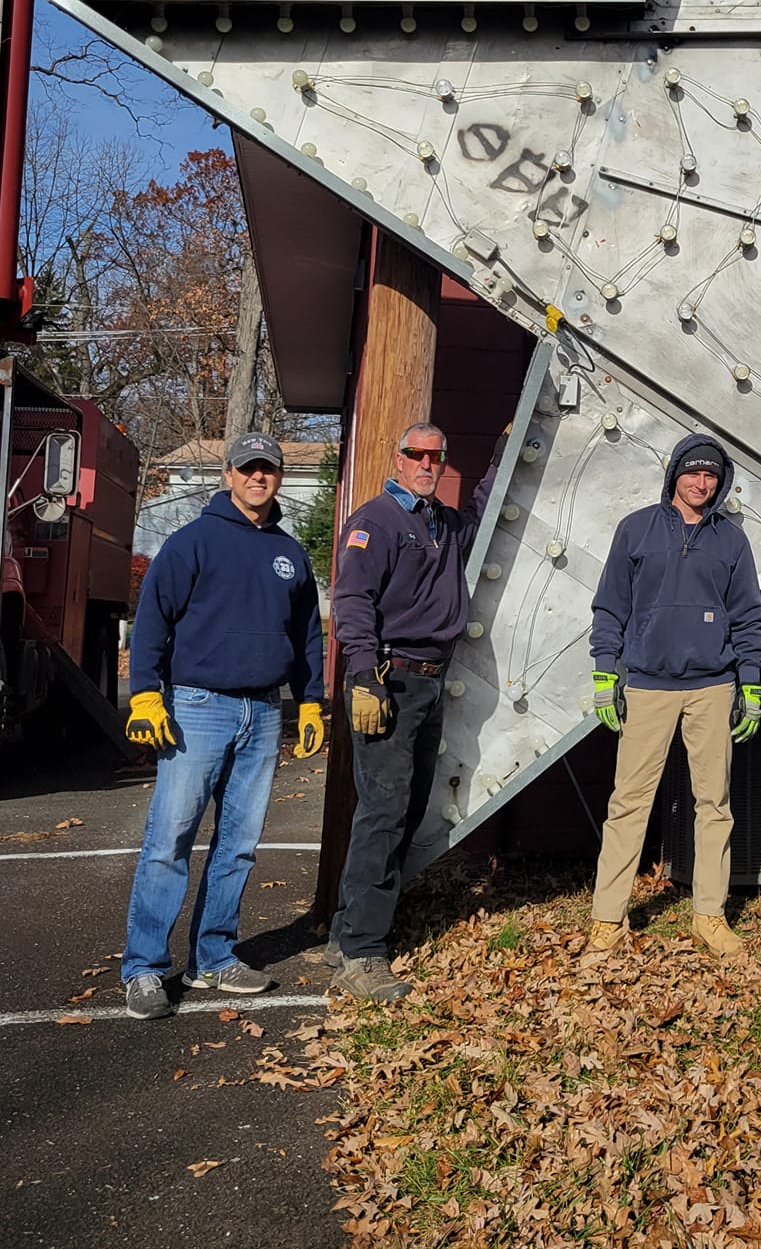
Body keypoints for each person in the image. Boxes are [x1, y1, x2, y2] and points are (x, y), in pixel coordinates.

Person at [121, 433, 324, 1019]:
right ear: (229, 475)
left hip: (263, 713)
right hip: (197, 708)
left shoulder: (290, 553)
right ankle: (144, 969)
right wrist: (145, 696)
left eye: (268, 469)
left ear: (278, 477)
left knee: (238, 845)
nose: (259, 477)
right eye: (248, 468)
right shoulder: (191, 542)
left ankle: (212, 958)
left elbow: (307, 635)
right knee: (170, 841)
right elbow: (153, 620)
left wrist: (310, 702)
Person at [329, 420, 502, 1002]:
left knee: (402, 811)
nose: (427, 464)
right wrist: (363, 675)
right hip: (388, 682)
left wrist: (501, 452)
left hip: (429, 684)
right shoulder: (376, 521)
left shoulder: (442, 524)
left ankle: (347, 934)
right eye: (416, 454)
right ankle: (362, 955)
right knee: (382, 813)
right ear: (397, 458)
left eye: (436, 456)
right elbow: (352, 599)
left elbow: (482, 513)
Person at [582, 433, 761, 963]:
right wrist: (604, 672)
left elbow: (748, 617)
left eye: (711, 476)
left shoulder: (731, 541)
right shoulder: (636, 529)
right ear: (674, 474)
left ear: (720, 483)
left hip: (712, 687)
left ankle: (709, 915)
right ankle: (607, 920)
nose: (701, 483)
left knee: (715, 805)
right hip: (647, 685)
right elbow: (610, 606)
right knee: (628, 803)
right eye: (693, 473)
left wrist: (750, 685)